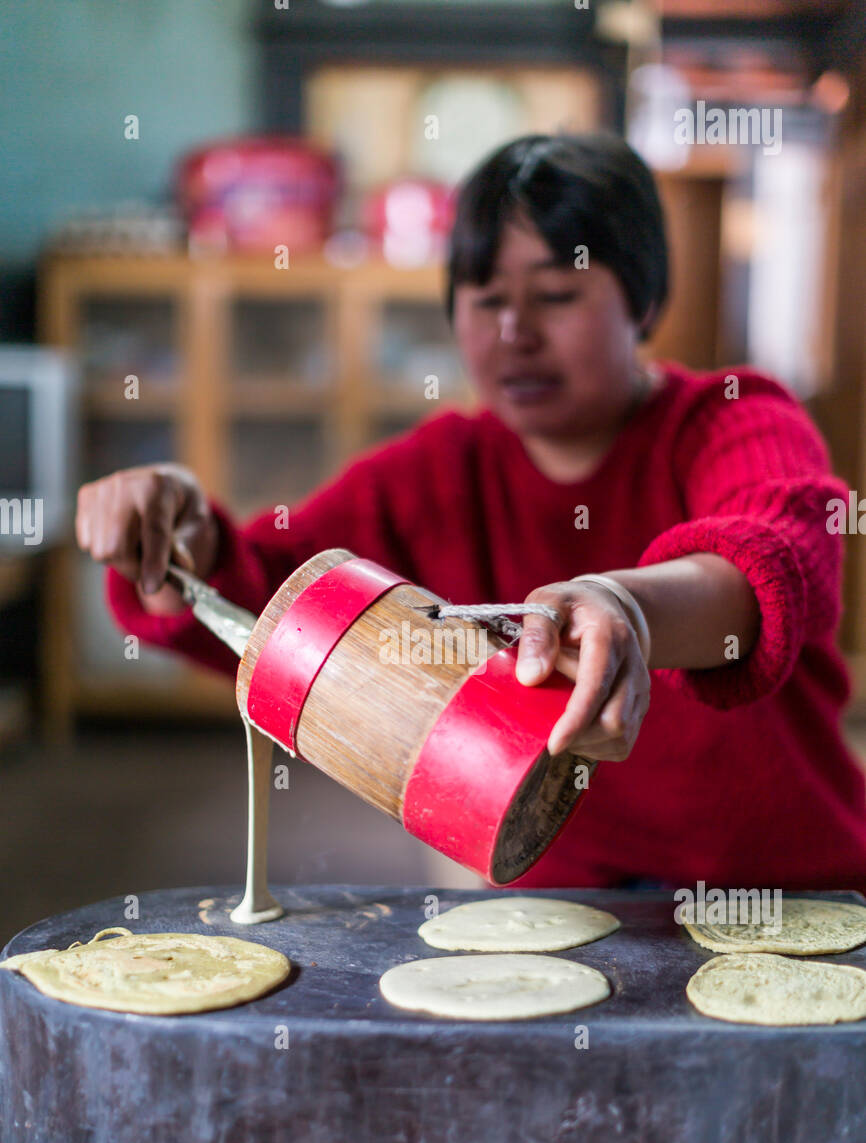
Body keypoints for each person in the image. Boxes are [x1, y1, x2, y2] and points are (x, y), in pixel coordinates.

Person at [76, 131, 866, 893]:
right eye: (485, 300)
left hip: (787, 891)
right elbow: (275, 607)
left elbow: (773, 556)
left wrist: (628, 608)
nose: (514, 332)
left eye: (556, 294)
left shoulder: (732, 421)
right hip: (566, 908)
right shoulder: (438, 473)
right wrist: (182, 540)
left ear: (647, 298)